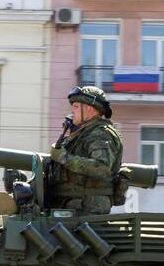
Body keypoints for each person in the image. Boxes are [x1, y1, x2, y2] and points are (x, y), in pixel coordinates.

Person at [45, 85, 124, 216]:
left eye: (76, 107)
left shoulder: (100, 134)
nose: (72, 111)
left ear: (89, 110)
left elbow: (101, 168)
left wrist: (63, 158)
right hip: (74, 207)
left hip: (87, 209)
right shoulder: (82, 133)